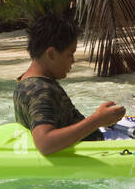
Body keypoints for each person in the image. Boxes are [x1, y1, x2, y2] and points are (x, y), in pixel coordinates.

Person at [13, 15, 125, 155]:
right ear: (51, 54)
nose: (72, 61)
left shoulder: (24, 81)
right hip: (92, 150)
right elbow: (45, 143)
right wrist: (96, 121)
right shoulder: (41, 91)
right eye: (70, 54)